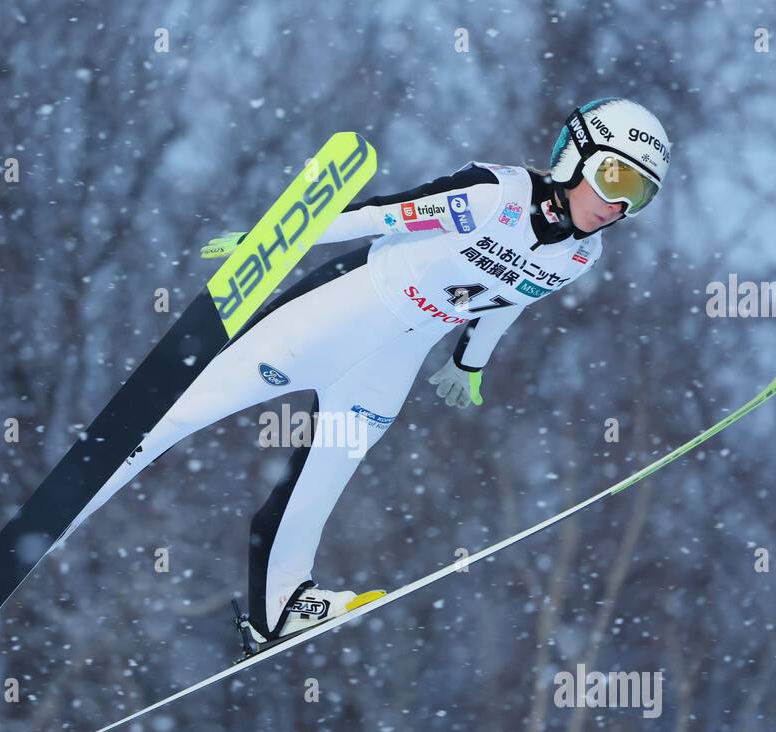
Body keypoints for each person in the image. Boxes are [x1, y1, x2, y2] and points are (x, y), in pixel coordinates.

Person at [56, 97, 672, 645]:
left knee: (322, 480)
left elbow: (509, 299)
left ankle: (281, 605)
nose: (617, 205)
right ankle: (63, 514)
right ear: (575, 154)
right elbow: (382, 215)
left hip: (389, 365)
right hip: (334, 317)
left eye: (637, 196)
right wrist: (275, 242)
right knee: (185, 409)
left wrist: (469, 362)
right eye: (613, 177)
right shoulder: (494, 197)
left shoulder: (580, 256)